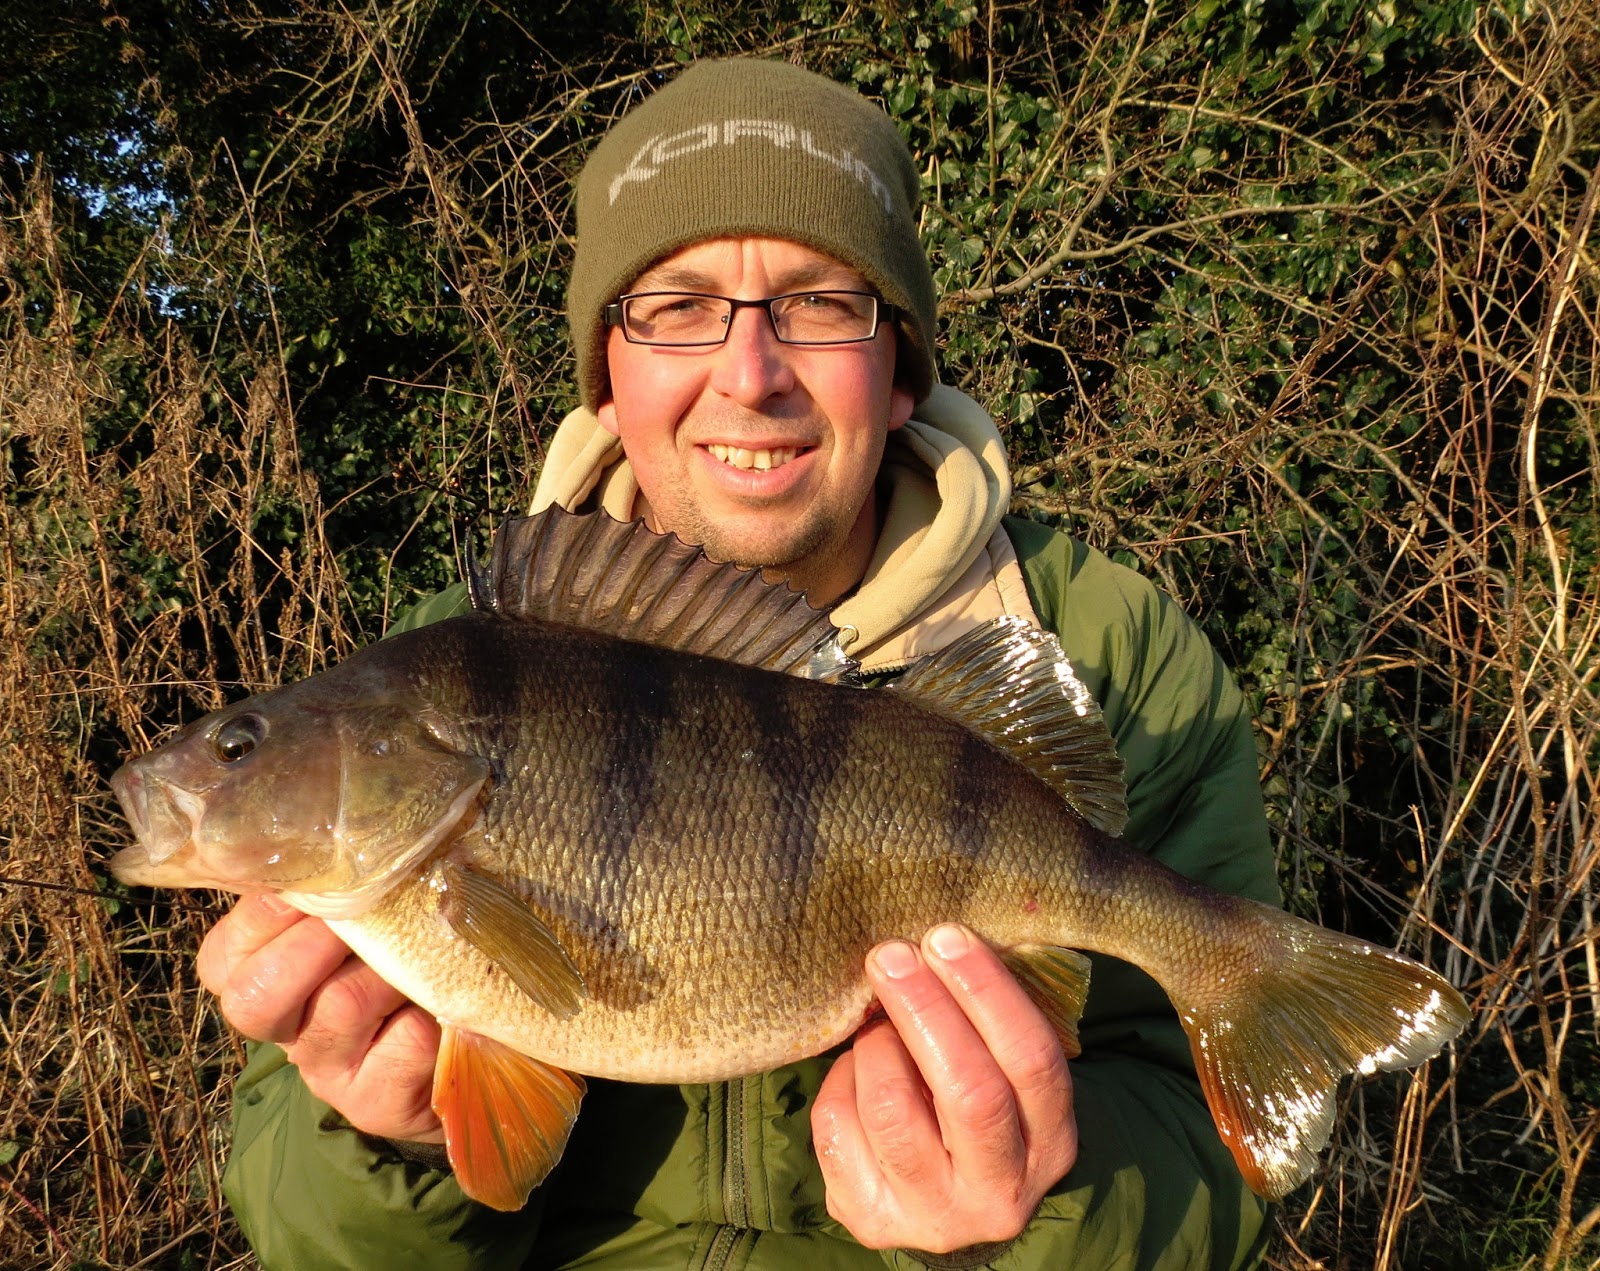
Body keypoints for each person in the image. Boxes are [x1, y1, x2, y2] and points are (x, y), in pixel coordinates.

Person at [200, 58, 1278, 1269]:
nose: (751, 371)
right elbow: (314, 1236)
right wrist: (382, 1143)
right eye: (675, 304)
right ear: (607, 370)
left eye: (820, 302)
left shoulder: (1110, 647)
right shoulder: (447, 667)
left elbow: (1213, 1158)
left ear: (902, 360)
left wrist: (1031, 1221)